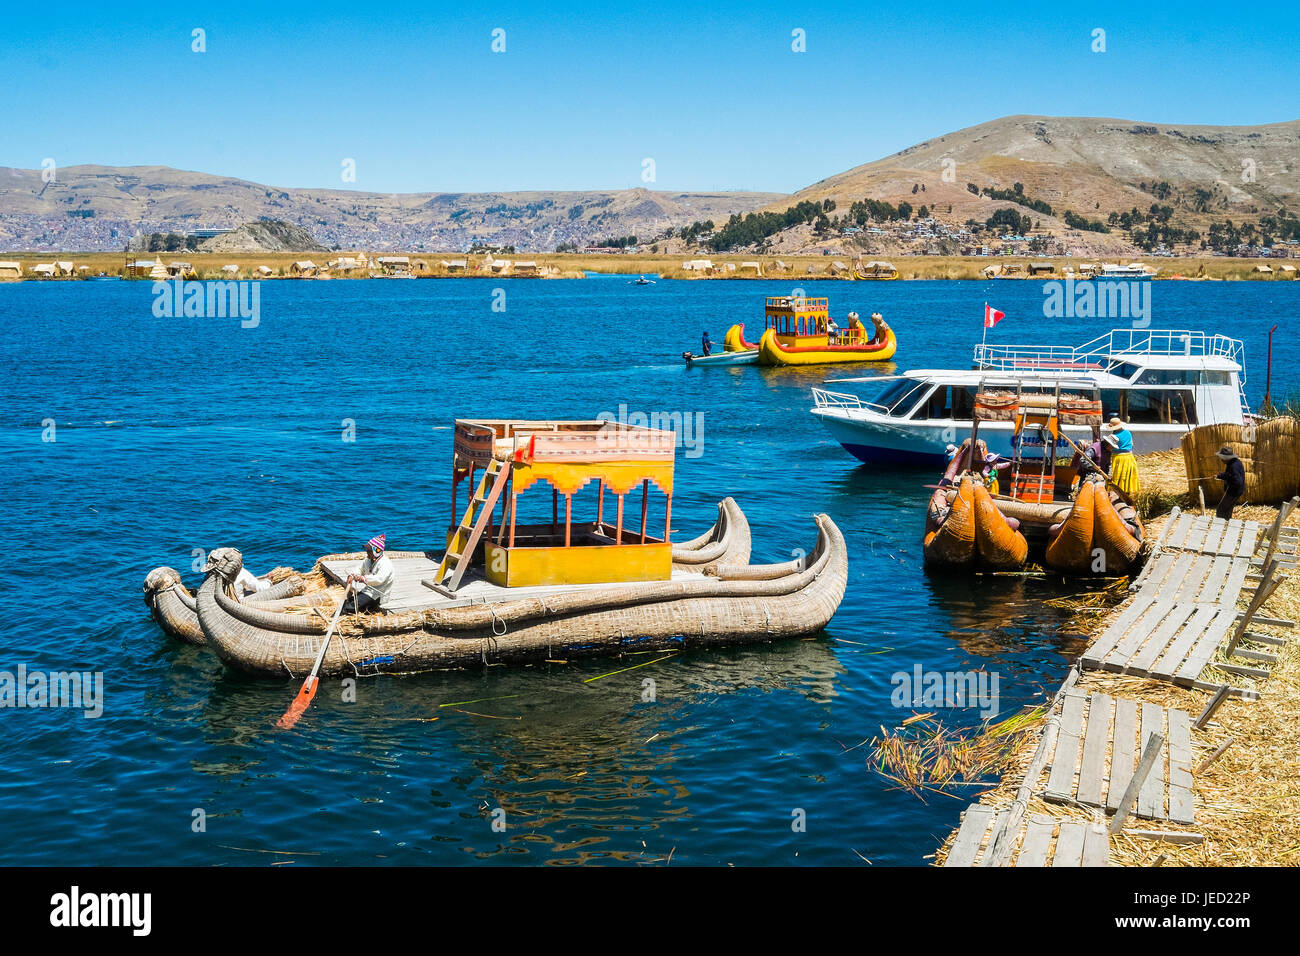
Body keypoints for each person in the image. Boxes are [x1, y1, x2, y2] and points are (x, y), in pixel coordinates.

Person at [345, 534, 394, 614]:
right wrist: (352, 575)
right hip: (368, 591)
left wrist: (364, 578)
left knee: (350, 607)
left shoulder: (385, 563)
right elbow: (360, 568)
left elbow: (380, 578)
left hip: (378, 594)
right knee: (348, 601)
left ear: (376, 551)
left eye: (369, 550)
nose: (366, 552)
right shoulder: (368, 560)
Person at [1103, 417, 1140, 497]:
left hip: (1118, 458)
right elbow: (1132, 445)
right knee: (1126, 479)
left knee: (1117, 478)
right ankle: (1126, 496)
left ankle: (1115, 496)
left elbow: (1109, 448)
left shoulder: (1113, 436)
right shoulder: (1128, 433)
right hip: (1129, 457)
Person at [1214, 445, 1246, 519]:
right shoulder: (1234, 462)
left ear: (1226, 458)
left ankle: (1220, 526)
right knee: (1228, 509)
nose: (1221, 460)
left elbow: (1238, 482)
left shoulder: (1233, 466)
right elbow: (1229, 474)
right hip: (1237, 491)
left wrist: (1227, 481)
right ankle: (1227, 524)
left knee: (1221, 510)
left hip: (1234, 492)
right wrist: (1219, 476)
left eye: (1222, 458)